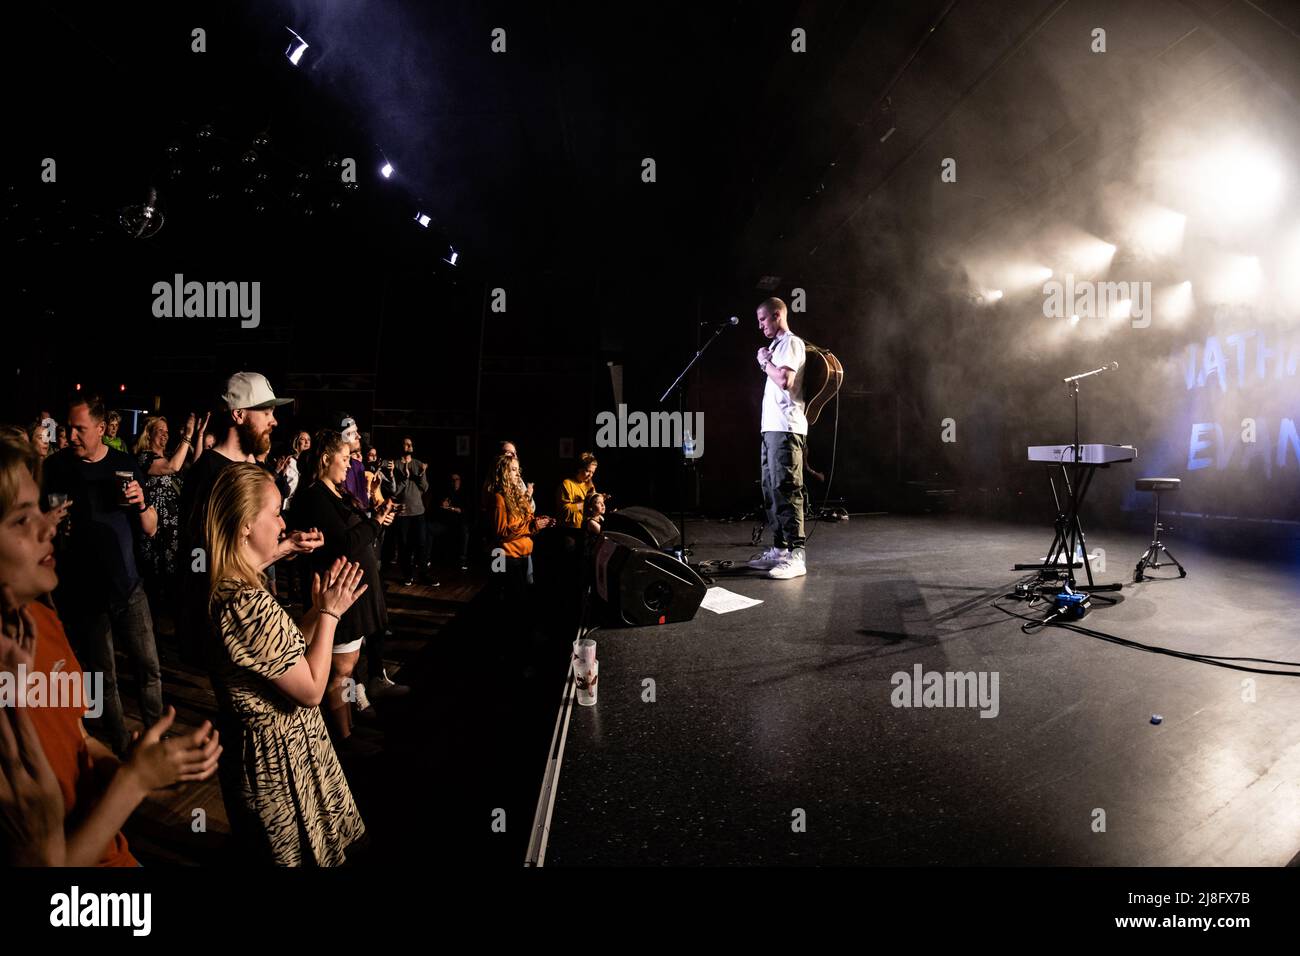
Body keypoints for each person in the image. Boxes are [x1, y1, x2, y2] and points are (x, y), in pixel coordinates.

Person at [0, 434, 220, 866]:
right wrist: (133, 783)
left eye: (41, 509)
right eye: (22, 521)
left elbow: (78, 737)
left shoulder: (39, 619)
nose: (51, 526)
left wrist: (132, 768)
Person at [205, 462, 365, 865]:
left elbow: (283, 653)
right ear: (244, 525)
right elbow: (311, 689)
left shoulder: (234, 583)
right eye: (275, 512)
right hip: (278, 764)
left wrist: (313, 613)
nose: (283, 522)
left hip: (284, 750)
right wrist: (330, 615)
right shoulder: (245, 602)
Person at [42, 394, 163, 756]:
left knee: (149, 670)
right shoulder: (56, 467)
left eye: (80, 429)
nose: (72, 435)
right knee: (102, 677)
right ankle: (121, 747)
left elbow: (152, 528)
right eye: (69, 428)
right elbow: (41, 523)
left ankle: (155, 742)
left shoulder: (124, 464)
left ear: (99, 428)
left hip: (128, 588)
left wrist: (142, 503)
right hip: (84, 592)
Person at [176, 372, 295, 666]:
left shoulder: (253, 469)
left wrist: (284, 546)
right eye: (266, 412)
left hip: (252, 603)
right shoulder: (209, 474)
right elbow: (198, 555)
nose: (274, 421)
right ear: (239, 415)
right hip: (224, 620)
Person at [292, 431, 399, 744]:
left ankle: (351, 716)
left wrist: (376, 517)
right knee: (341, 670)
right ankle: (344, 737)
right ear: (326, 459)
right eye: (345, 457)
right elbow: (343, 544)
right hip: (336, 592)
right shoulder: (315, 497)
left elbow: (357, 535)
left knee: (350, 667)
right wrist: (374, 523)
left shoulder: (337, 494)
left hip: (353, 592)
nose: (350, 462)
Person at [748, 297, 809, 580]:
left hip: (786, 428)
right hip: (771, 428)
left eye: (763, 320)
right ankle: (781, 549)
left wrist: (763, 363)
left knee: (786, 488)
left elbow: (785, 381)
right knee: (770, 489)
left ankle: (797, 555)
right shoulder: (776, 347)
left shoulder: (791, 344)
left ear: (777, 315)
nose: (760, 326)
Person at [134, 414, 196, 631]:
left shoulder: (172, 455)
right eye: (159, 430)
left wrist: (199, 433)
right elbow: (172, 467)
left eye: (167, 431)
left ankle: (170, 629)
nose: (164, 434)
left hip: (174, 529)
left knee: (173, 581)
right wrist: (187, 436)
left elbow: (192, 465)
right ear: (148, 433)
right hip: (155, 529)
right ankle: (149, 630)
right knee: (153, 581)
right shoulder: (144, 458)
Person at [485, 453, 554, 602]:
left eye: (518, 469)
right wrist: (532, 526)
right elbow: (502, 533)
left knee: (521, 599)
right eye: (514, 470)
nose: (518, 473)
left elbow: (525, 522)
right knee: (510, 600)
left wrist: (538, 522)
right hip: (506, 557)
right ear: (504, 472)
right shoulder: (499, 499)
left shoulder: (517, 495)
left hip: (522, 555)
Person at [392, 437, 430, 586]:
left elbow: (425, 488)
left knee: (421, 543)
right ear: (401, 446)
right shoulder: (395, 465)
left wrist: (420, 475)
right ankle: (407, 575)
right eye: (406, 443)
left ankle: (424, 574)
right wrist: (404, 478)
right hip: (402, 513)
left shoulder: (418, 464)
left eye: (411, 444)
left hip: (418, 511)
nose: (410, 446)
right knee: (404, 546)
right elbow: (394, 491)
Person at [557, 453, 599, 529]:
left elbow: (592, 507)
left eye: (592, 472)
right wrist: (585, 503)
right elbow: (563, 510)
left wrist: (599, 500)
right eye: (588, 471)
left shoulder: (590, 484)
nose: (590, 475)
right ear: (579, 468)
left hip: (585, 529)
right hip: (570, 530)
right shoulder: (567, 484)